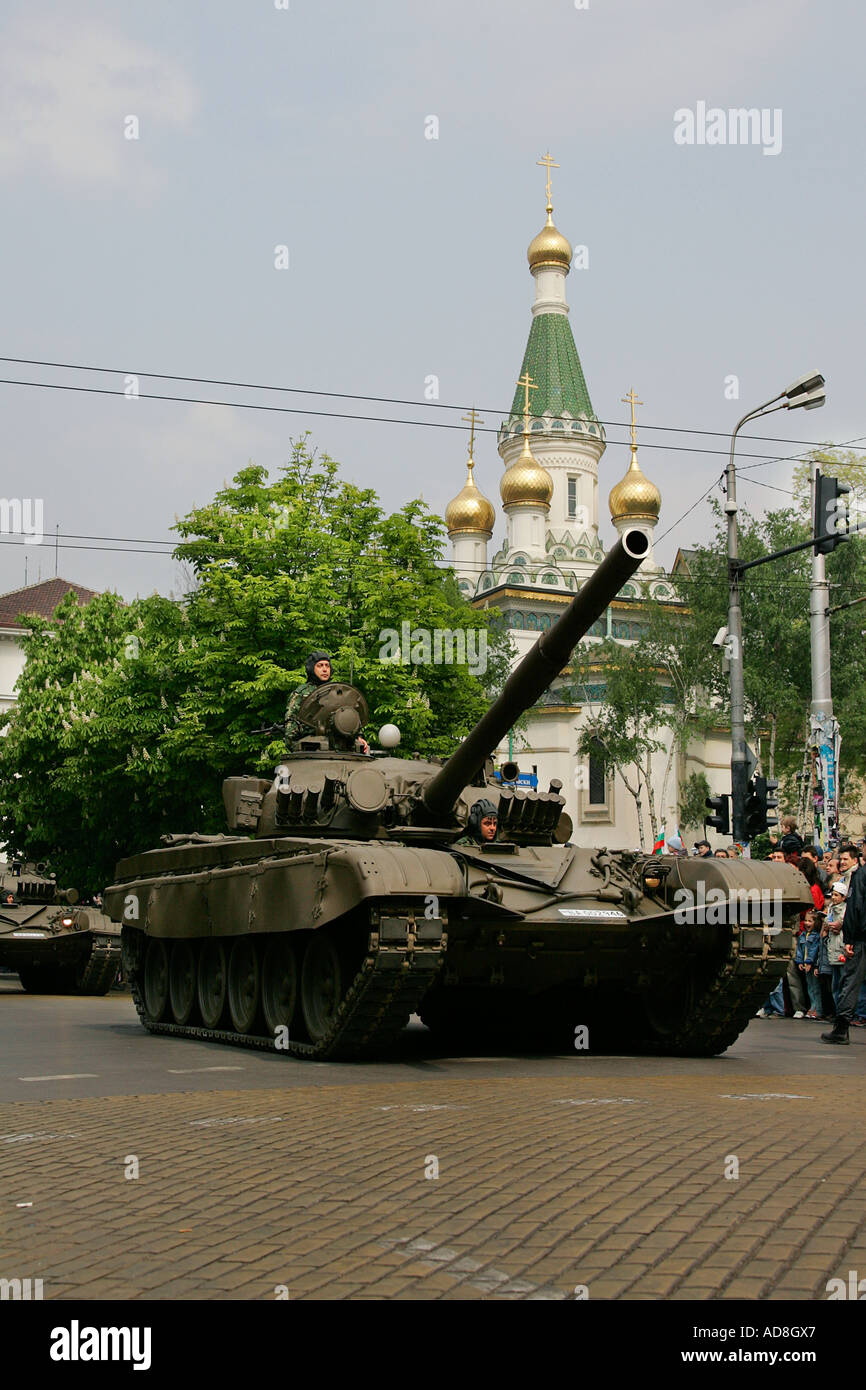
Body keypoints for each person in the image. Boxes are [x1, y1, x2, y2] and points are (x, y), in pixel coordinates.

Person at [284, 652, 369, 753]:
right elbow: (291, 726)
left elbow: (349, 715)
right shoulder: (301, 694)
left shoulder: (338, 692)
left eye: (327, 666)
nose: (324, 669)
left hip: (343, 749)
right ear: (312, 668)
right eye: (320, 666)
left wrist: (358, 736)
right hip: (313, 750)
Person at [822, 853, 866, 1045]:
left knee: (850, 982)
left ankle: (841, 1028)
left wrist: (849, 937)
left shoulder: (861, 875)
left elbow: (855, 907)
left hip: (861, 937)